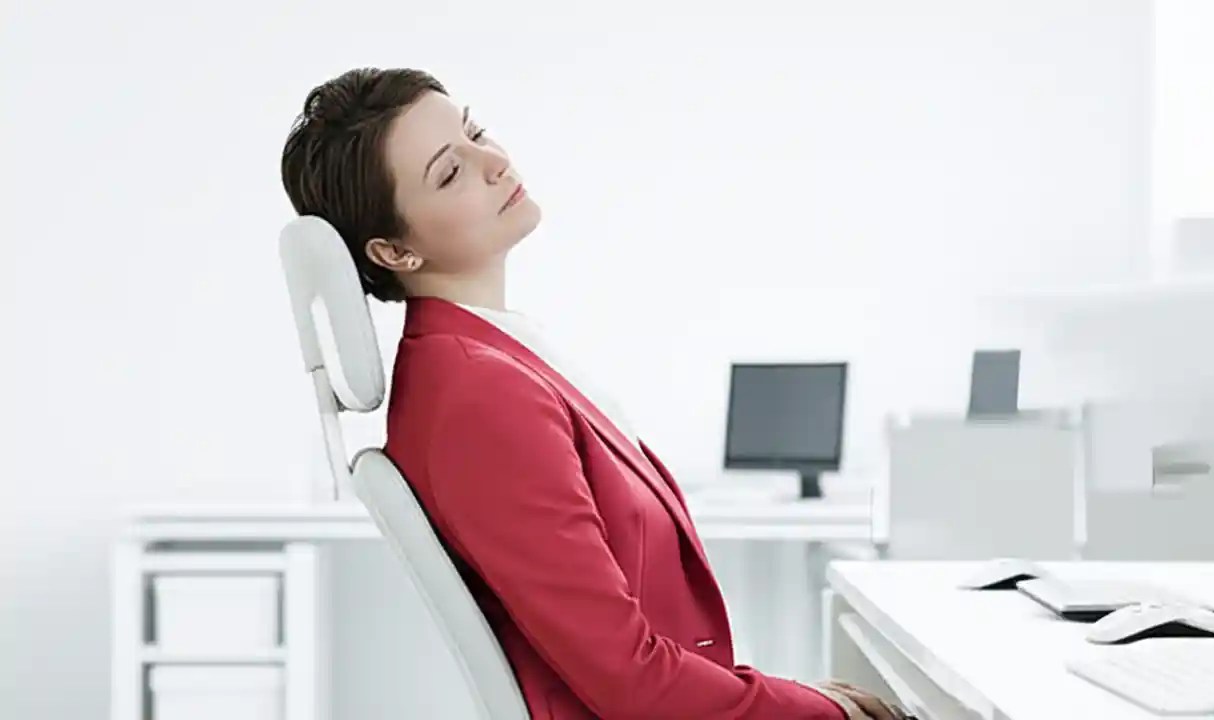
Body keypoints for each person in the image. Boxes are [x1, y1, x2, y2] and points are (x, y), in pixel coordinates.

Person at [280, 67, 908, 720]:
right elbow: (628, 680)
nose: (494, 163)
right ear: (395, 250)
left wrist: (799, 700)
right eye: (450, 172)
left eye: (476, 133)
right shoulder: (475, 395)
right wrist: (826, 715)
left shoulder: (488, 360)